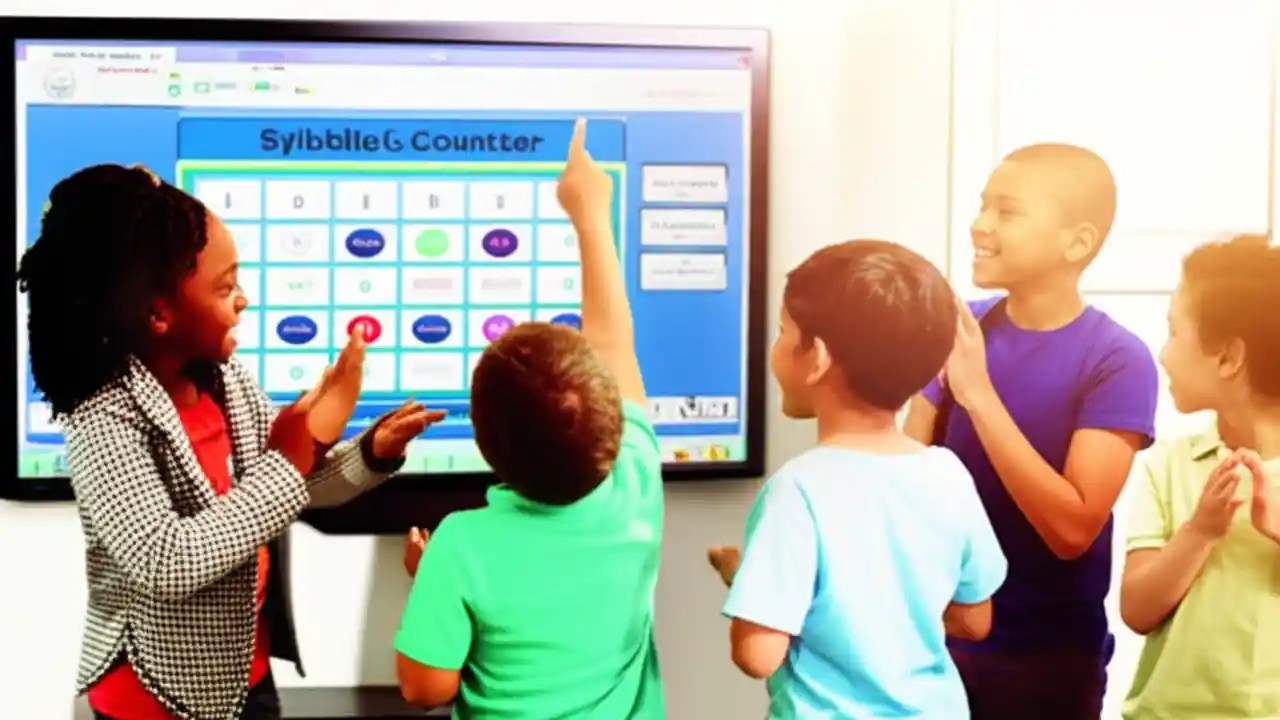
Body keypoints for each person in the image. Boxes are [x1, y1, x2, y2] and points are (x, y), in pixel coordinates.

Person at [15, 164, 443, 720]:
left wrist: (371, 452)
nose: (243, 299)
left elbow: (296, 488)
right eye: (224, 286)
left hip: (244, 674)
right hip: (152, 698)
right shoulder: (103, 414)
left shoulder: (227, 380)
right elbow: (167, 561)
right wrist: (292, 452)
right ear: (157, 313)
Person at [394, 119, 665, 719]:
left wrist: (432, 582)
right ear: (613, 431)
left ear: (489, 444)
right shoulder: (638, 487)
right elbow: (615, 342)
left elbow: (425, 688)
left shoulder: (459, 546)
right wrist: (591, 214)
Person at [902, 143, 1160, 719]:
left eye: (1006, 211)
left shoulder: (1117, 359)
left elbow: (1072, 527)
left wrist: (978, 395)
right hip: (934, 650)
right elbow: (901, 478)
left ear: (1078, 242)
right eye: (981, 206)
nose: (979, 225)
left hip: (1046, 668)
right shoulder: (959, 328)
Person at [705, 239, 1008, 718]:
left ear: (817, 357)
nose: (776, 346)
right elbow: (973, 619)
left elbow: (758, 654)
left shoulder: (798, 491)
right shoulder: (948, 473)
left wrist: (747, 580)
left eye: (785, 331)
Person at [1119, 234, 1280, 719]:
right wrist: (1200, 531)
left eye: (1173, 332)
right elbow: (1137, 610)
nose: (1164, 355)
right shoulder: (1167, 465)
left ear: (1229, 357)